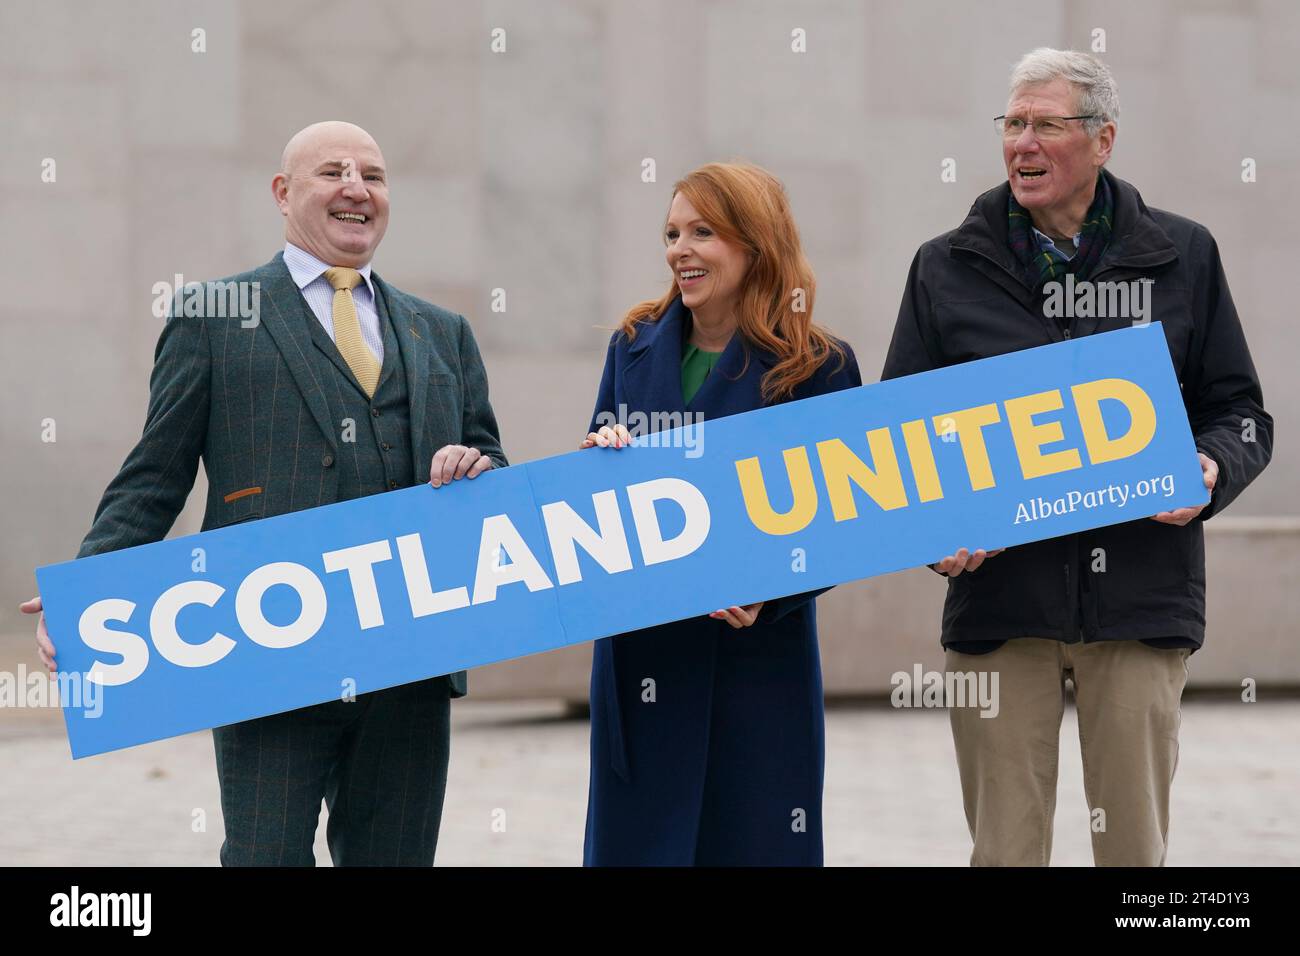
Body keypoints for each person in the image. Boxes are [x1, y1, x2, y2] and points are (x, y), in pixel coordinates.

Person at [21, 121, 507, 866]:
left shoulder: (443, 332)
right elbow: (155, 475)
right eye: (333, 172)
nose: (356, 188)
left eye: (373, 176)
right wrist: (85, 590)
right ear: (283, 193)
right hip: (269, 650)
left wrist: (478, 469)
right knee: (264, 858)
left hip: (412, 658)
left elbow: (493, 468)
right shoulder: (214, 317)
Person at [883, 49, 1272, 866]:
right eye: (1013, 123)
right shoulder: (944, 267)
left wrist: (1209, 467)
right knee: (1004, 852)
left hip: (1139, 600)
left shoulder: (1183, 256)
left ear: (1102, 141)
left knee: (1133, 855)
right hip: (997, 607)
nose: (1022, 142)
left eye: (1046, 124)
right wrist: (935, 527)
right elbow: (900, 439)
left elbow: (1241, 414)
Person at [581, 162, 862, 866]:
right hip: (644, 663)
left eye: (703, 231)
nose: (680, 249)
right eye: (673, 232)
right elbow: (594, 505)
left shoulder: (819, 364)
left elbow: (851, 520)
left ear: (756, 244)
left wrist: (775, 591)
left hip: (756, 668)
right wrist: (601, 455)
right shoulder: (633, 344)